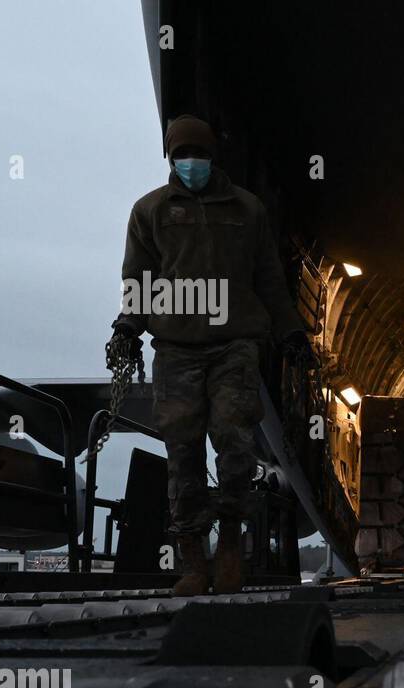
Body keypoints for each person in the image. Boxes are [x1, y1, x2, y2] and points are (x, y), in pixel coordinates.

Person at [109, 115, 309, 595]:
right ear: (170, 160)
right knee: (183, 452)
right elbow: (139, 278)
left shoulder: (247, 210)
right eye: (181, 157)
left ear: (211, 158)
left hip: (234, 343)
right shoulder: (150, 211)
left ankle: (232, 545)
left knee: (234, 440)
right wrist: (128, 327)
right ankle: (193, 559)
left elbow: (269, 279)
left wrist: (291, 332)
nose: (190, 165)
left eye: (196, 156)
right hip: (175, 347)